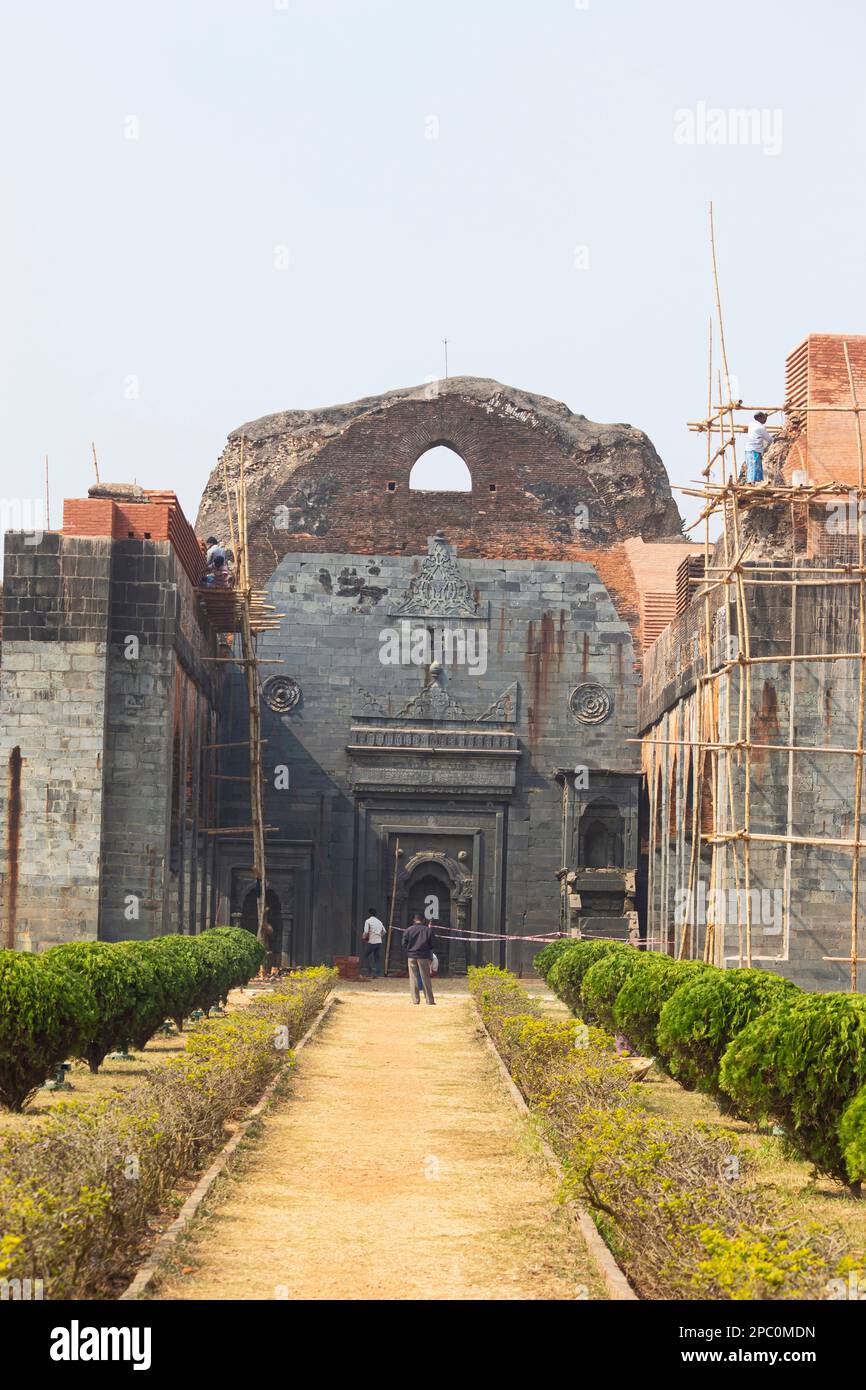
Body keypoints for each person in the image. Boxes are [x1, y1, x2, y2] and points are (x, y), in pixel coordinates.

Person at [403, 912, 436, 1005]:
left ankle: (415, 1000)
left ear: (414, 920)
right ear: (423, 920)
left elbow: (403, 943)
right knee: (425, 977)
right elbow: (433, 944)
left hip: (411, 956)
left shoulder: (408, 930)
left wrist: (409, 950)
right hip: (423, 956)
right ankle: (429, 1000)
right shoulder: (427, 930)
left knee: (413, 978)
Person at [743, 412, 773, 484]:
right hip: (754, 449)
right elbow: (769, 439)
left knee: (751, 466)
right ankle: (751, 483)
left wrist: (765, 415)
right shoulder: (760, 428)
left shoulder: (751, 424)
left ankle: (752, 482)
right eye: (764, 418)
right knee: (754, 467)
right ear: (759, 418)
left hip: (748, 449)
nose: (765, 420)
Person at [362, 907, 386, 980]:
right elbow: (384, 931)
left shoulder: (368, 921)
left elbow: (366, 932)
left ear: (369, 914)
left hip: (372, 941)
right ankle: (377, 973)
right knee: (377, 958)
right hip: (379, 942)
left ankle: (369, 971)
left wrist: (363, 937)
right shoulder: (379, 921)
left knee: (365, 956)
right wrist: (379, 936)